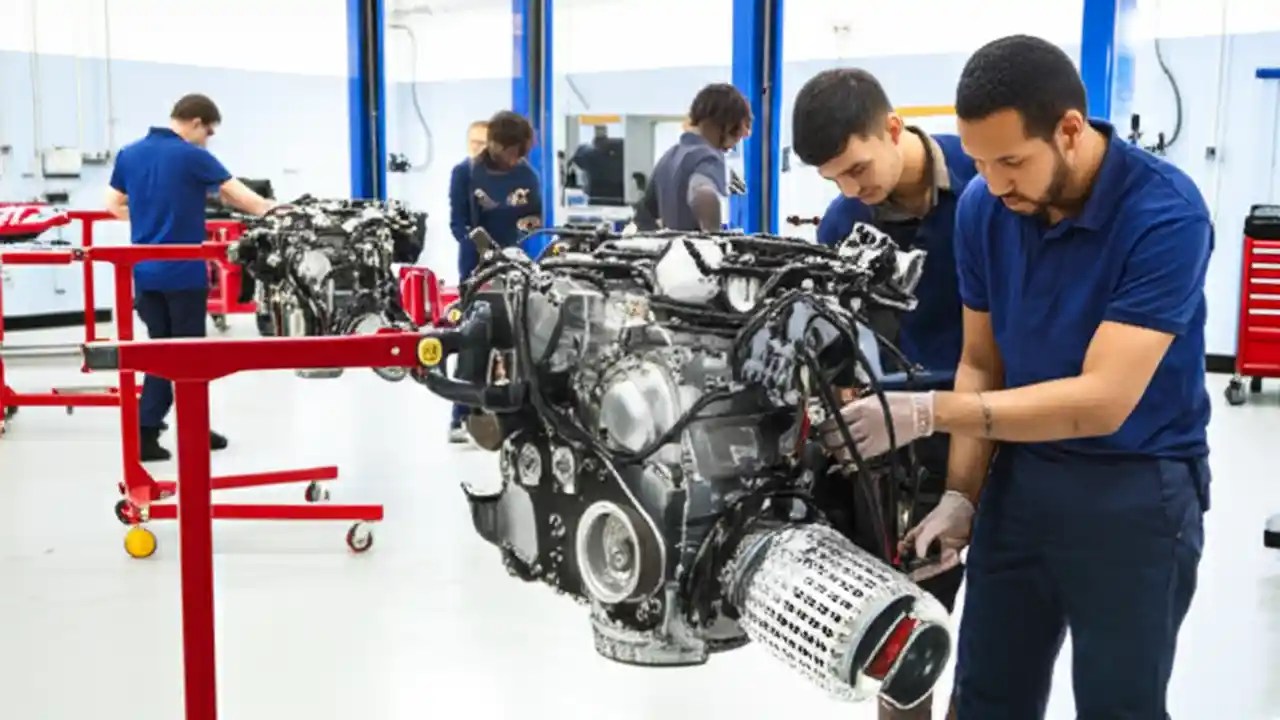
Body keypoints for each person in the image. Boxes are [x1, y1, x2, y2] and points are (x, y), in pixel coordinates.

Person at [824, 35, 1213, 719]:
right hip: (1021, 485)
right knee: (986, 698)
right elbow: (982, 362)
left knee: (1118, 704)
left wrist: (927, 412)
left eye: (1011, 161)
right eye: (979, 162)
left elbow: (1101, 401)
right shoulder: (984, 208)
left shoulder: (1165, 214)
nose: (995, 182)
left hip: (1134, 490)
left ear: (1069, 130)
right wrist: (962, 497)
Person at [790, 67, 979, 720]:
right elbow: (841, 344)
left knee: (995, 656)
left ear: (892, 128)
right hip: (898, 451)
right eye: (834, 179)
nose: (850, 189)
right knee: (901, 647)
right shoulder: (846, 221)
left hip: (998, 434)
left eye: (857, 167)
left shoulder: (986, 189)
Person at [104, 93, 276, 462]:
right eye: (209, 132)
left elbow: (112, 205)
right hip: (182, 274)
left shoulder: (130, 153)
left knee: (161, 351)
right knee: (187, 356)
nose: (208, 139)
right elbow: (241, 196)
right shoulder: (191, 155)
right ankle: (152, 431)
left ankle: (175, 427)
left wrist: (151, 218)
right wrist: (277, 212)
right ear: (196, 122)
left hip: (145, 273)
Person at [447, 110, 543, 442]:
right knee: (473, 339)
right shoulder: (465, 174)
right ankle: (461, 416)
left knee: (521, 339)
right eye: (516, 151)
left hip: (516, 266)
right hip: (476, 269)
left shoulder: (528, 176)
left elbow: (534, 220)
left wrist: (518, 239)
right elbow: (457, 223)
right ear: (498, 145)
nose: (519, 159)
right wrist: (481, 246)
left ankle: (522, 416)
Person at [649, 84, 753, 231]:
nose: (745, 134)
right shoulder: (708, 156)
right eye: (743, 125)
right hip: (696, 251)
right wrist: (713, 240)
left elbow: (645, 214)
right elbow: (702, 192)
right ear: (727, 123)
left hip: (672, 250)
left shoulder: (668, 157)